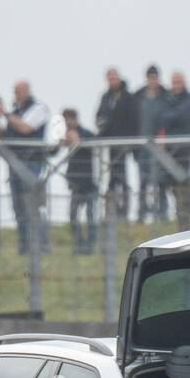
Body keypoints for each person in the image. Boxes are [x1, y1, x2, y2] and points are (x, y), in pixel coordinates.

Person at [0, 80, 50, 256]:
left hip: (31, 163)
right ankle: (24, 247)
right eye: (14, 91)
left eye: (18, 91)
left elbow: (26, 128)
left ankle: (41, 246)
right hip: (14, 163)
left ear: (26, 91)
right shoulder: (14, 112)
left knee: (32, 205)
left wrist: (6, 114)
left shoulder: (39, 108)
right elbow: (3, 135)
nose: (15, 94)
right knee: (18, 207)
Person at [94, 68, 137, 216]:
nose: (112, 81)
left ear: (119, 78)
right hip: (108, 144)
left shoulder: (128, 97)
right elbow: (99, 115)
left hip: (123, 143)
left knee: (122, 177)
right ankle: (111, 211)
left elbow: (132, 119)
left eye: (114, 78)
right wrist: (101, 124)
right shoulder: (105, 97)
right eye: (109, 78)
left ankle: (123, 210)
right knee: (111, 177)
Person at [158, 70, 190, 224]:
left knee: (183, 184)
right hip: (167, 152)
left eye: (178, 81)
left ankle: (185, 216)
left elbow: (181, 116)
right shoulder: (168, 99)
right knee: (163, 183)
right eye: (173, 82)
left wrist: (170, 117)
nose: (176, 84)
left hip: (183, 151)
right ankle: (163, 218)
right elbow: (162, 117)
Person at [55, 109, 96, 252]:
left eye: (67, 120)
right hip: (75, 182)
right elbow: (52, 152)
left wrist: (78, 141)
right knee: (73, 215)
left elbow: (94, 147)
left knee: (91, 215)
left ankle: (90, 246)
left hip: (89, 180)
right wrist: (60, 142)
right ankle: (79, 244)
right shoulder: (63, 134)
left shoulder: (86, 133)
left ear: (74, 119)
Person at [134, 64, 168, 222]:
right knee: (143, 180)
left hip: (160, 146)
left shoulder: (166, 96)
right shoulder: (138, 96)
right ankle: (141, 214)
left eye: (154, 77)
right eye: (150, 77)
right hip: (142, 147)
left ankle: (162, 214)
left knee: (160, 181)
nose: (152, 80)